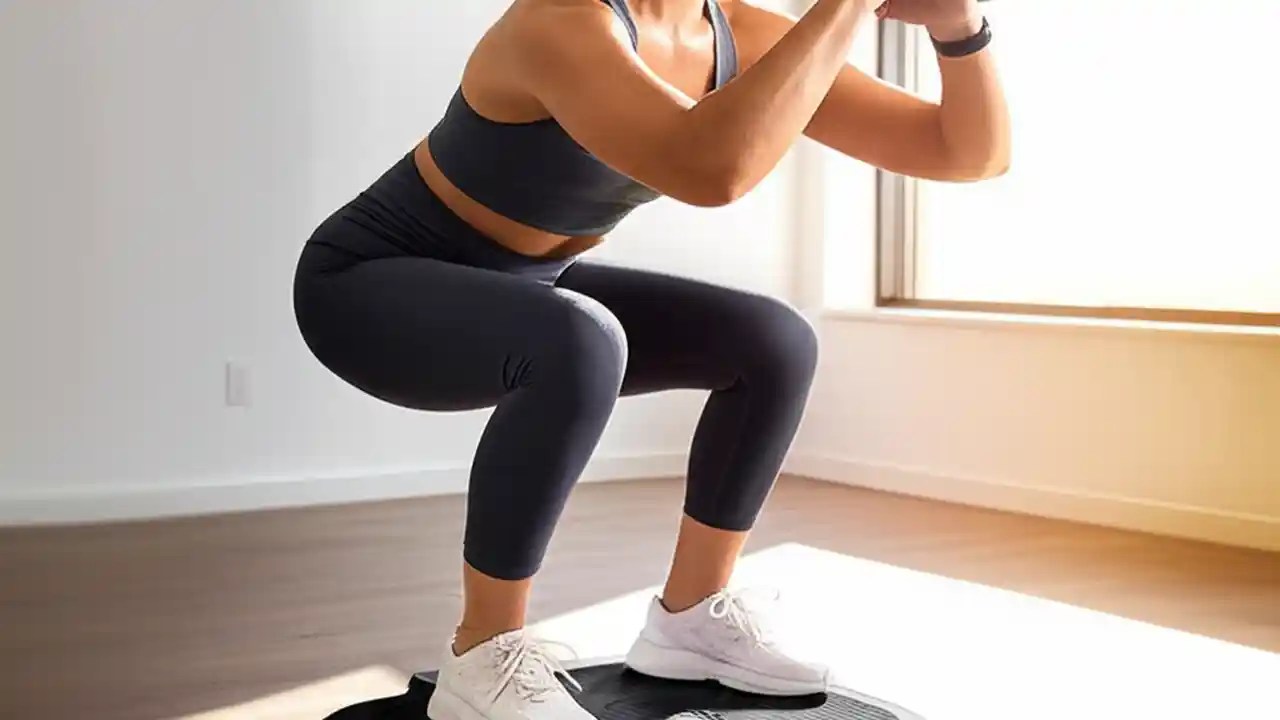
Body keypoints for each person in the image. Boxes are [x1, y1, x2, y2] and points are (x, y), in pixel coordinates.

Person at [292, 0, 1009, 717]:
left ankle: (691, 621)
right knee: (580, 339)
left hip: (527, 286)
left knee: (773, 342)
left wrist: (957, 27)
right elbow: (712, 171)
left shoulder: (741, 34)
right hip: (364, 287)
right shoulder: (562, 20)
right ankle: (481, 657)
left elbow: (967, 152)